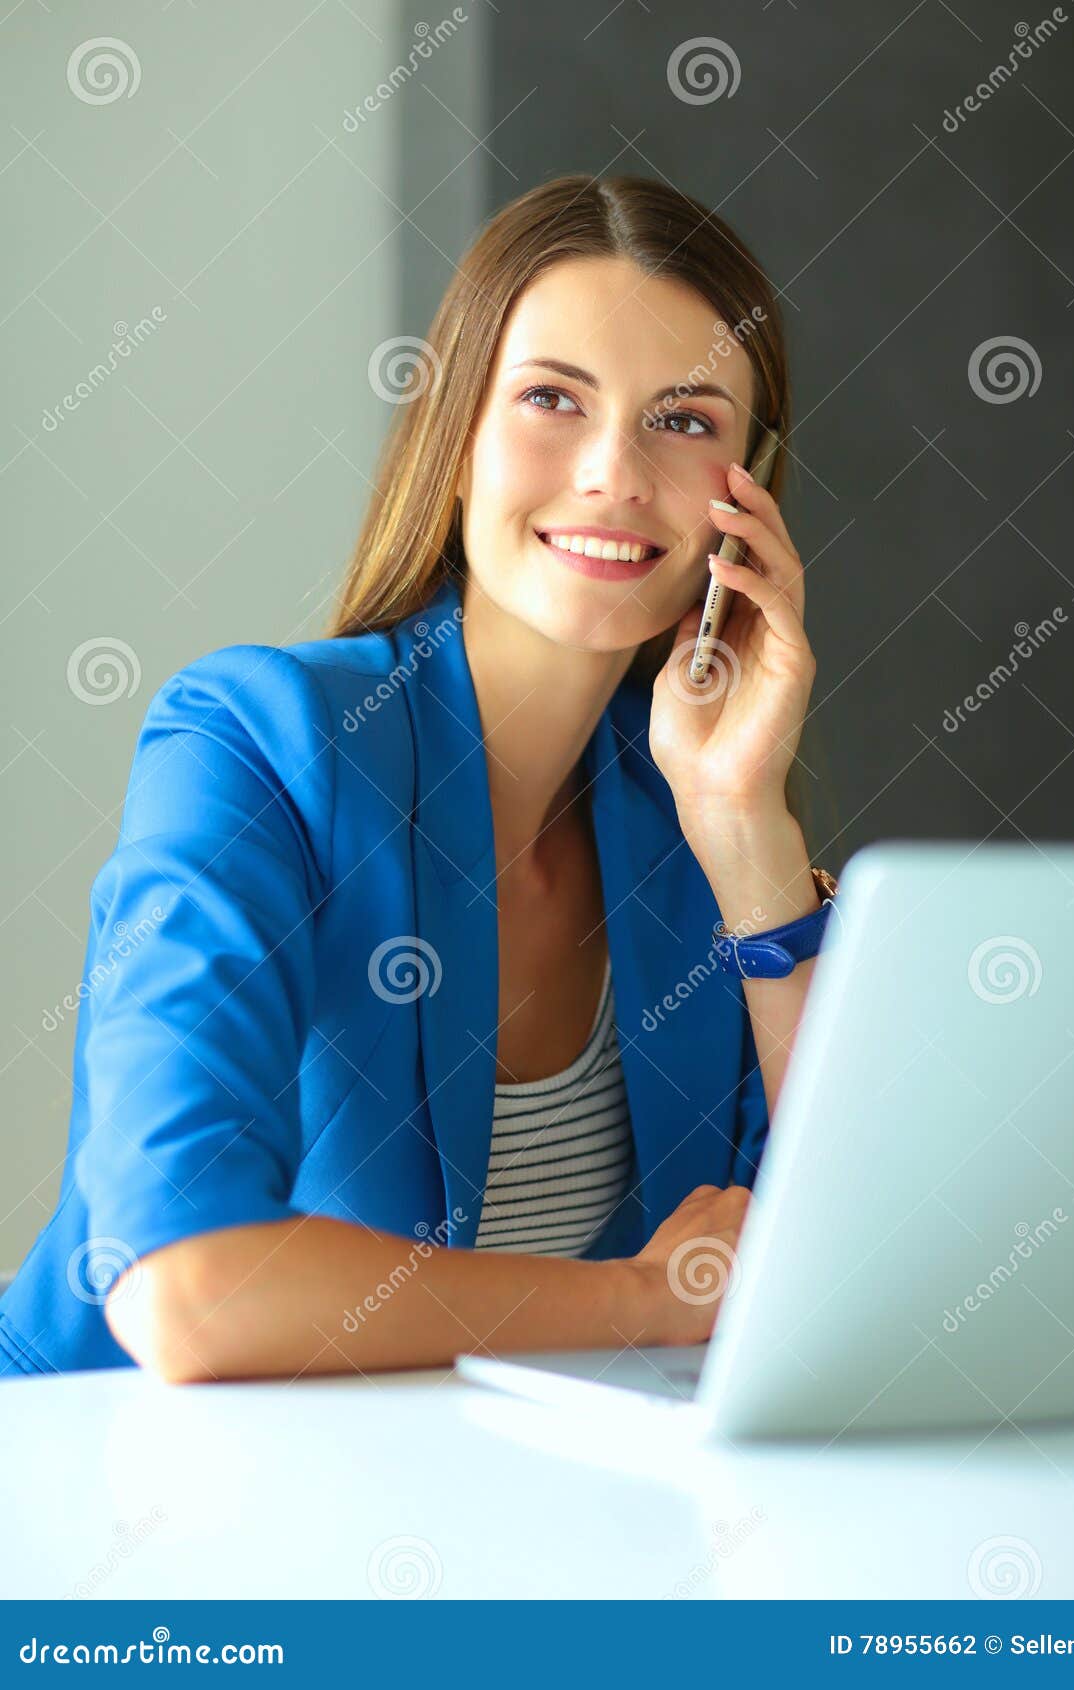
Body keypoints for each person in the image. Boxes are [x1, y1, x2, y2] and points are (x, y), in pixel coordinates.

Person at [0, 174, 832, 1383]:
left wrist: (745, 825)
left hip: (456, 1526)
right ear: (453, 439)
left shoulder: (690, 823)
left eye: (685, 419)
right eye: (553, 397)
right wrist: (641, 1298)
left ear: (740, 503)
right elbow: (188, 1290)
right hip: (107, 1504)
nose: (613, 471)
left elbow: (845, 1260)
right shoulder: (255, 739)